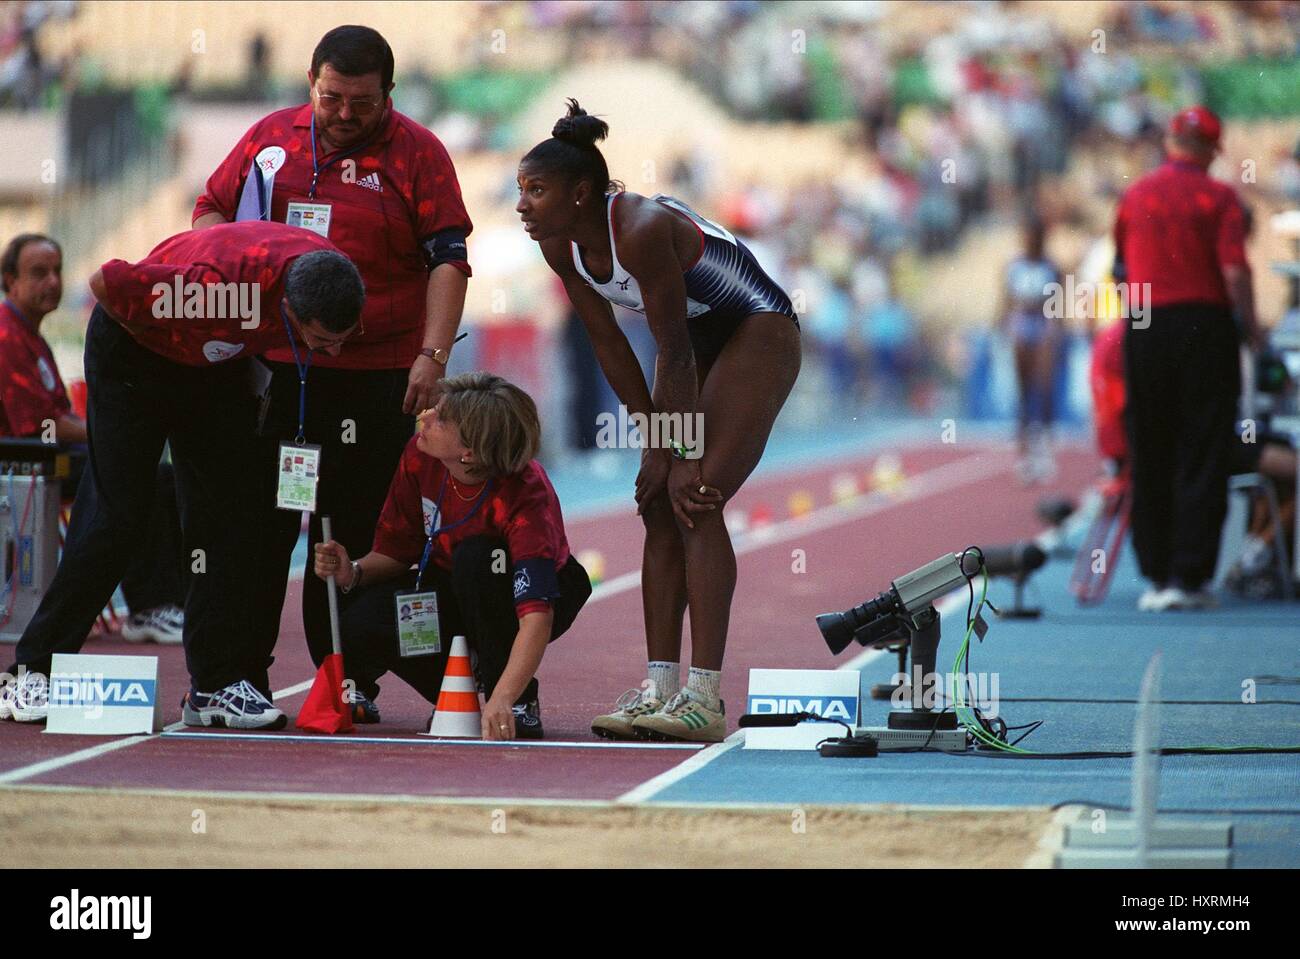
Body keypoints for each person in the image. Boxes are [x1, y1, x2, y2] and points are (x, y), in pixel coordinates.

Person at [191, 25, 473, 692]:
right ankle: (239, 679)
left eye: (362, 103)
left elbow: (450, 261)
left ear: (390, 95)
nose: (345, 115)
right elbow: (208, 211)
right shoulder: (268, 141)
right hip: (281, 377)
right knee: (263, 526)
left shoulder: (420, 154)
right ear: (310, 84)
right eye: (331, 99)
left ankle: (348, 675)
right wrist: (231, 273)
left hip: (380, 381)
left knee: (358, 532)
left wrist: (432, 355)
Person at [1, 221, 364, 728]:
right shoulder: (218, 289)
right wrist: (171, 351)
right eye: (322, 341)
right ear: (288, 309)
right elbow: (107, 283)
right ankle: (28, 671)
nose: (333, 353)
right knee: (119, 514)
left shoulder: (329, 271)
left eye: (343, 339)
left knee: (229, 514)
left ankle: (214, 685)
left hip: (211, 365)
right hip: (136, 359)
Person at [517, 100, 801, 742]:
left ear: (581, 194)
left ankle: (704, 697)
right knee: (656, 505)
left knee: (694, 498)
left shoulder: (640, 229)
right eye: (520, 191)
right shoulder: (561, 247)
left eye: (536, 191)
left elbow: (670, 350)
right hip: (700, 344)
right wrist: (656, 446)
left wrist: (676, 452)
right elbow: (611, 346)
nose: (522, 206)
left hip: (758, 332)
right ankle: (660, 687)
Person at [312, 372, 591, 739]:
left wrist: (505, 695)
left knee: (477, 559)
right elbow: (398, 551)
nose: (425, 417)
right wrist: (355, 572)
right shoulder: (419, 456)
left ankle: (516, 700)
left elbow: (536, 616)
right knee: (364, 622)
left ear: (470, 452)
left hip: (520, 590)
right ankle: (456, 691)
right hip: (452, 584)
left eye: (440, 419)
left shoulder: (525, 496)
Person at [1114, 105, 1268, 612]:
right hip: (1204, 325)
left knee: (1150, 443)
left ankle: (1156, 573)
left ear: (1171, 142)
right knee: (1202, 447)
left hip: (1145, 324)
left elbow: (1121, 272)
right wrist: (1252, 332)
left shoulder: (1135, 194)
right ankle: (1190, 575)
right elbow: (1235, 274)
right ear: (1211, 150)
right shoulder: (1220, 197)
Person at [0, 233, 187, 648]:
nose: (52, 282)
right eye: (38, 273)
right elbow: (41, 423)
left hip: (52, 454)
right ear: (10, 280)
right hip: (23, 462)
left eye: (57, 271)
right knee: (139, 476)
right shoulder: (6, 335)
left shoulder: (30, 333)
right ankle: (149, 606)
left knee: (165, 477)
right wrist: (117, 432)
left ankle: (176, 598)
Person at [998, 216, 1062, 483]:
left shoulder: (1051, 266)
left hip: (1043, 327)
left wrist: (1054, 331)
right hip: (1022, 327)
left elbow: (1056, 304)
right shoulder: (1014, 267)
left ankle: (1045, 448)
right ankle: (1024, 454)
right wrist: (1005, 328)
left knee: (1044, 387)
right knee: (1024, 390)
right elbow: (1006, 300)